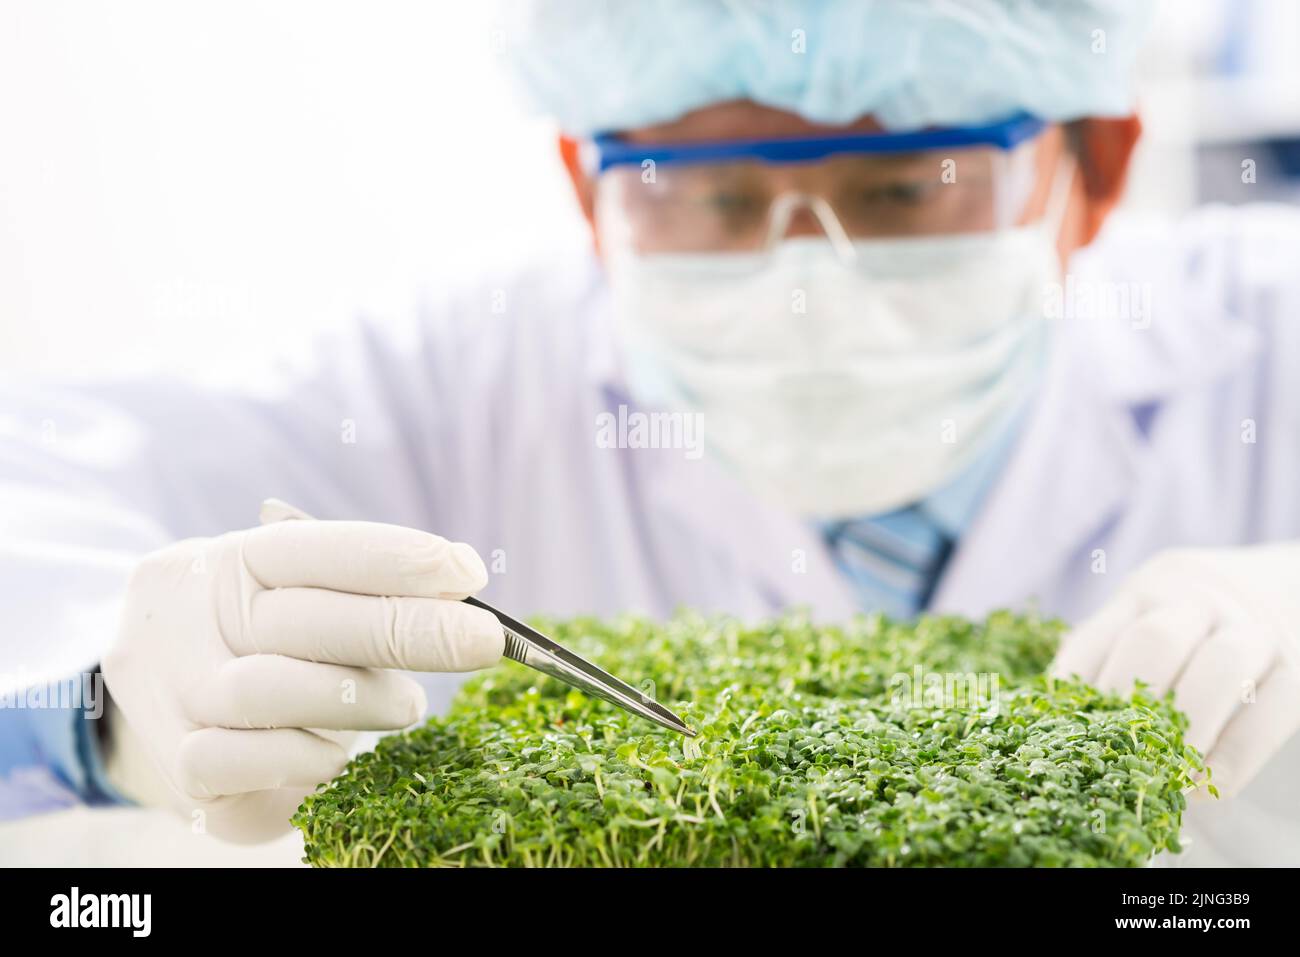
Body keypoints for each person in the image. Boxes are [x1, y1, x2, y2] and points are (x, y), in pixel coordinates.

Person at [2, 0, 1298, 864]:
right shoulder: (459, 380)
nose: (807, 278)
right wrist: (98, 699)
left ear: (1098, 168)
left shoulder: (1269, 335)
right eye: (712, 194)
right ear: (588, 186)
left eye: (909, 183)